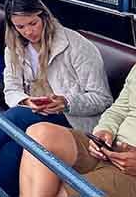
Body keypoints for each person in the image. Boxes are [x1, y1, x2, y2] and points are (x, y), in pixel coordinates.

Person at [0, 0, 112, 196]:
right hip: (34, 114)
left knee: (17, 118)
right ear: (13, 26)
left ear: (44, 16)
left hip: (75, 119)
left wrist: (66, 102)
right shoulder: (15, 47)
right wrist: (26, 100)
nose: (28, 31)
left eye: (33, 23)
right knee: (11, 144)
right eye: (20, 26)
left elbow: (103, 99)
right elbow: (11, 88)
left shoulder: (76, 45)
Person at [19, 64, 136, 197]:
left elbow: (100, 98)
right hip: (110, 148)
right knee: (38, 133)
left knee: (18, 119)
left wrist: (66, 102)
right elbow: (119, 110)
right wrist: (105, 129)